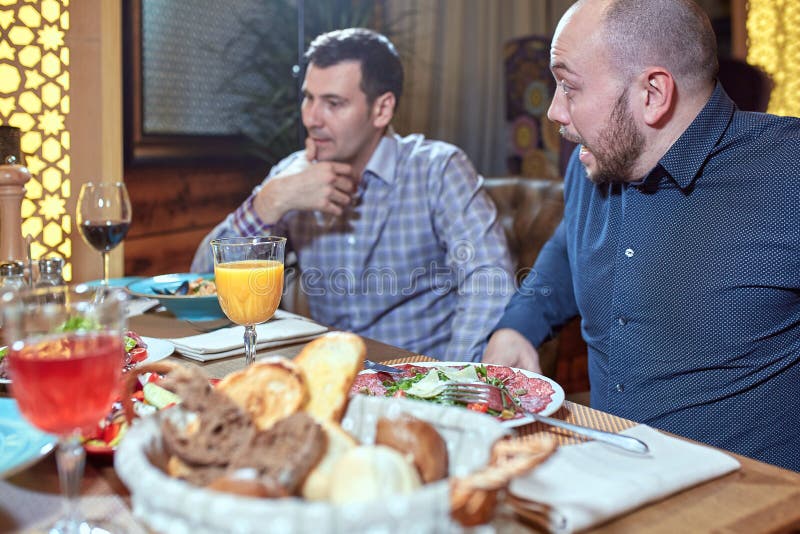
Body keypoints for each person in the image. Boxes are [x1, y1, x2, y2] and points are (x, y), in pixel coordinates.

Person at [484, 0, 800, 472]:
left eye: (569, 87)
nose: (553, 111)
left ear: (653, 93)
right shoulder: (592, 164)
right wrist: (522, 322)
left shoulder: (788, 173)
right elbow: (571, 245)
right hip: (606, 477)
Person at [193, 28, 514, 362]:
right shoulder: (291, 176)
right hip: (331, 381)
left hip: (417, 383)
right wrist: (270, 201)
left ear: (382, 109)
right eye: (308, 97)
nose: (311, 118)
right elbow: (203, 279)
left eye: (333, 103)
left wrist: (451, 385)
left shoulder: (438, 169)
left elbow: (489, 284)